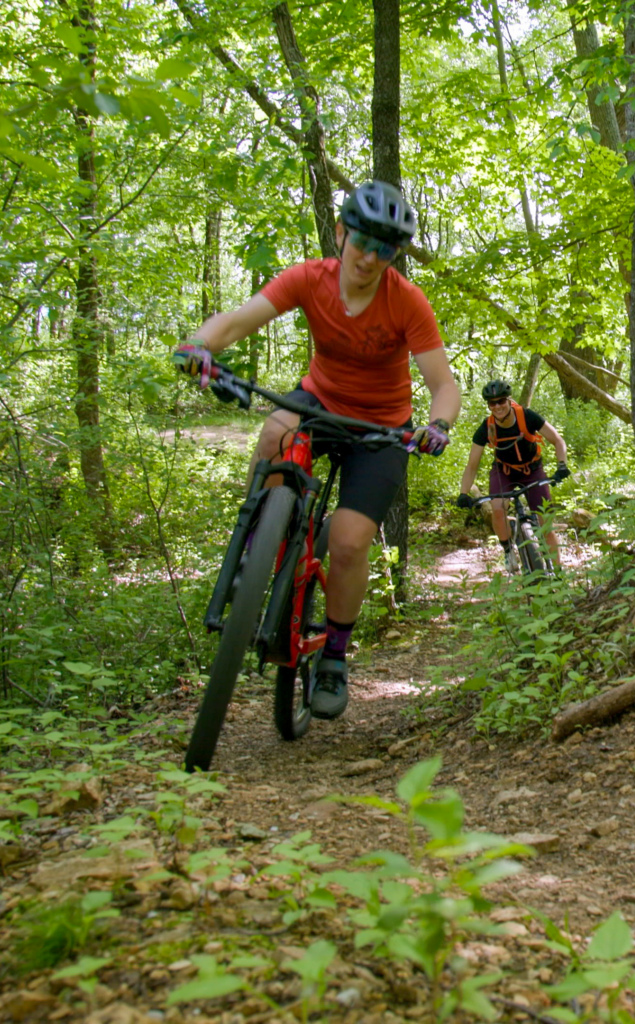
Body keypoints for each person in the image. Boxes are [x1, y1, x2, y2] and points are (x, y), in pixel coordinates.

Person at [173, 181, 460, 720]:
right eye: (363, 242)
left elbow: (444, 385)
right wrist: (199, 345)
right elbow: (235, 321)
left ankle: (332, 657)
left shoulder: (406, 301)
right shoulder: (310, 278)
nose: (371, 258)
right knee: (275, 431)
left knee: (351, 542)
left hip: (381, 427)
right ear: (342, 233)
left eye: (385, 249)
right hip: (319, 402)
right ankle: (260, 546)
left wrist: (438, 424)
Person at [454, 379, 570, 571]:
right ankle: (508, 550)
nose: (497, 406)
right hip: (504, 471)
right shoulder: (487, 427)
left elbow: (557, 440)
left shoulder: (527, 416)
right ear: (489, 405)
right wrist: (464, 493)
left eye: (501, 401)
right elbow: (472, 464)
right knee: (498, 509)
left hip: (532, 470)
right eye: (492, 403)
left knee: (544, 521)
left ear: (509, 400)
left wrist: (562, 465)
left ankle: (558, 572)